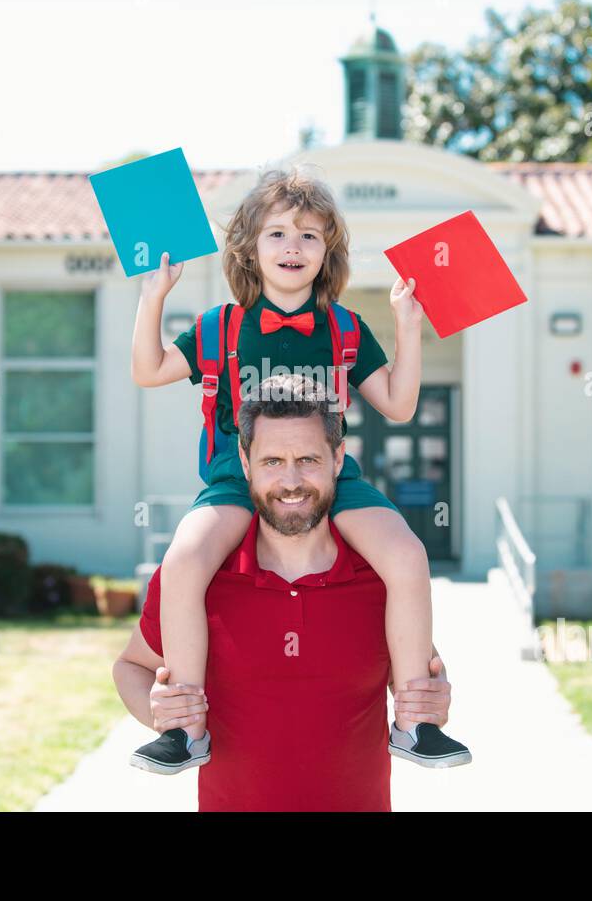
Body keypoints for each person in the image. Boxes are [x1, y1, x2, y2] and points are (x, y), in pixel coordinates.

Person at [128, 165, 471, 773]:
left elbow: (398, 402)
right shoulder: (220, 326)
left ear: (328, 252)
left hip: (332, 478)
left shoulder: (343, 328)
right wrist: (153, 296)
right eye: (278, 233)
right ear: (249, 248)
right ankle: (184, 729)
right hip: (239, 481)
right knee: (182, 561)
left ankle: (415, 722)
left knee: (408, 554)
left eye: (310, 235)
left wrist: (409, 327)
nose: (293, 246)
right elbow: (149, 370)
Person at [111, 375, 463, 810]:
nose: (291, 481)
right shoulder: (198, 577)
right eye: (272, 461)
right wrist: (162, 713)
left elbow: (416, 677)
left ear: (338, 459)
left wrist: (433, 697)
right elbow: (130, 666)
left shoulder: (380, 576)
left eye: (308, 460)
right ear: (245, 462)